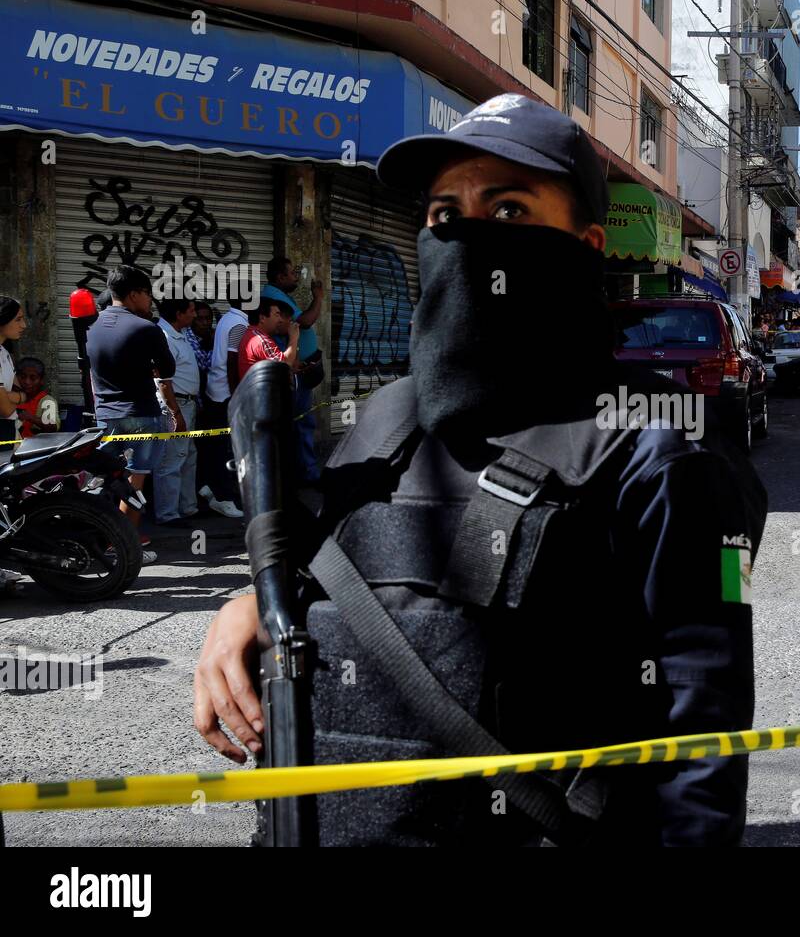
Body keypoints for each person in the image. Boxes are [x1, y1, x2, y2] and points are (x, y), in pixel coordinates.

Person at [193, 93, 768, 847]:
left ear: (587, 243)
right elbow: (329, 576)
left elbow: (700, 741)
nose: (467, 236)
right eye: (444, 216)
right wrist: (247, 609)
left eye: (507, 212)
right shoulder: (385, 418)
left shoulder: (666, 449)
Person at [86, 265, 179, 565]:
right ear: (135, 293)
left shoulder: (93, 326)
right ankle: (123, 548)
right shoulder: (146, 328)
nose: (150, 301)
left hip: (105, 416)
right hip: (141, 413)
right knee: (135, 482)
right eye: (148, 294)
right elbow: (167, 370)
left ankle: (94, 537)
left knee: (105, 479)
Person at [261, 258, 323, 486]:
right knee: (300, 422)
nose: (296, 277)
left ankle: (302, 472)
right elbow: (305, 321)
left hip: (298, 370)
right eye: (292, 273)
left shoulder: (281, 296)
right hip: (291, 372)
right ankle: (304, 474)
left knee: (301, 422)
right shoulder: (274, 296)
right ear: (280, 277)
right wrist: (318, 298)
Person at [155, 298, 201, 526]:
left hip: (187, 404)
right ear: (178, 314)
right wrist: (175, 413)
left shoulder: (179, 334)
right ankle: (168, 514)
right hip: (176, 406)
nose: (195, 315)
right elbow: (163, 382)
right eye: (191, 311)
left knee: (188, 456)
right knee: (171, 459)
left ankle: (187, 508)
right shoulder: (164, 337)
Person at [201, 300, 247, 519]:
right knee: (222, 450)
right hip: (224, 394)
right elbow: (232, 360)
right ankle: (223, 498)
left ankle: (212, 489)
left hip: (216, 390)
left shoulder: (228, 319)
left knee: (215, 448)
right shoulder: (238, 323)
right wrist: (236, 396)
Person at [237, 295, 300, 382]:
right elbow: (285, 365)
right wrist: (294, 337)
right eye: (277, 315)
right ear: (262, 318)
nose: (280, 320)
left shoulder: (253, 334)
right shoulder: (260, 340)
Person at [0, 299, 27, 444]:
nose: (24, 325)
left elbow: (23, 393)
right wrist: (17, 398)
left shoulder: (4, 352)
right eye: (18, 320)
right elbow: (5, 409)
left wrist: (13, 396)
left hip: (9, 431)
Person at [15, 357, 59, 438]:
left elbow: (52, 428)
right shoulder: (10, 397)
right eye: (23, 377)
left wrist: (30, 418)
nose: (27, 382)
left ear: (41, 380)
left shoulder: (47, 401)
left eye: (33, 378)